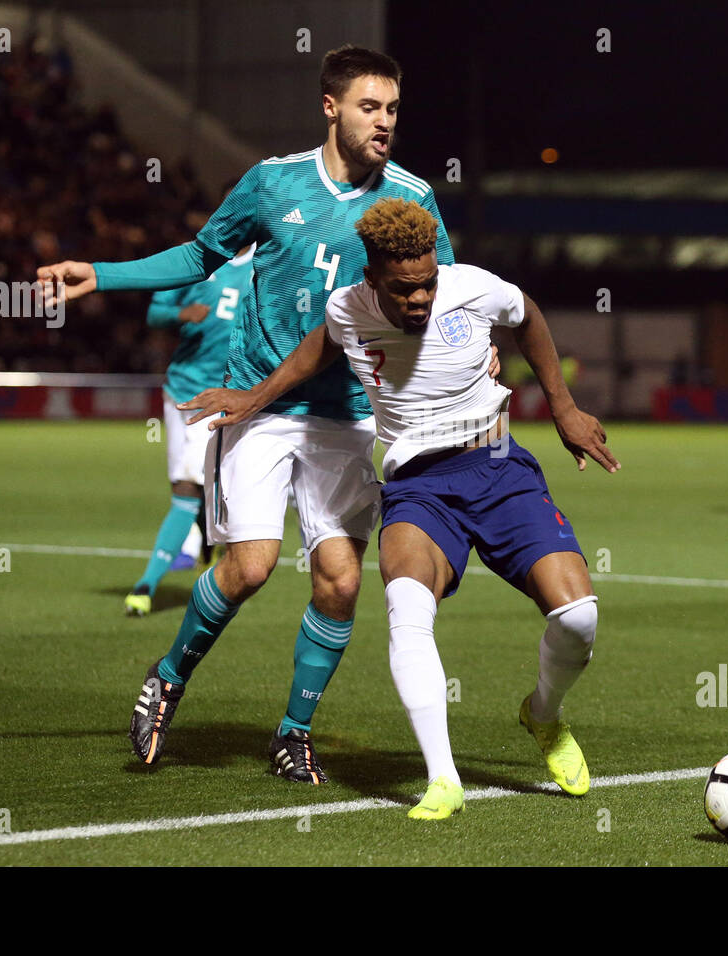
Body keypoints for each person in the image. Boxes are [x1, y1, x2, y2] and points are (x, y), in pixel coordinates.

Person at [39, 46, 454, 782]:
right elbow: (201, 256)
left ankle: (293, 733)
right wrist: (101, 273)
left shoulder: (414, 199)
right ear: (331, 107)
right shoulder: (272, 183)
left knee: (341, 580)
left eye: (392, 108)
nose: (384, 121)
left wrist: (473, 348)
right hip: (260, 402)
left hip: (349, 414)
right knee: (251, 567)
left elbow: (441, 292)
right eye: (369, 106)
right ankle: (167, 678)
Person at [181, 198, 620, 819]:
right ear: (372, 277)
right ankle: (443, 780)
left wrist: (563, 409)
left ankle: (543, 714)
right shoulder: (347, 307)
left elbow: (529, 318)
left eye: (426, 284)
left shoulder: (474, 289)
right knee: (407, 608)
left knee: (578, 618)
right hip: (418, 486)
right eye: (402, 289)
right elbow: (320, 348)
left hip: (498, 469)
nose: (418, 299)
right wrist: (257, 397)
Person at [124, 243, 254, 616]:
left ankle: (145, 586)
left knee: (186, 489)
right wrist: (182, 313)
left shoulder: (265, 262)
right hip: (178, 388)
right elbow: (154, 313)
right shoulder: (199, 258)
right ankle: (204, 544)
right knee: (186, 485)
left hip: (218, 395)